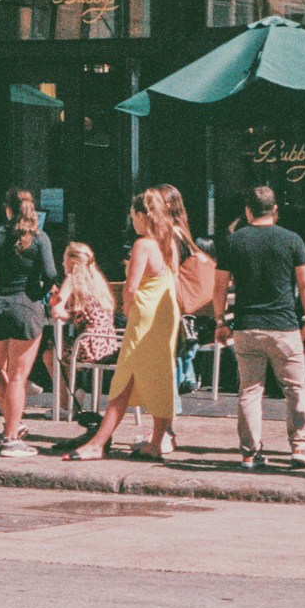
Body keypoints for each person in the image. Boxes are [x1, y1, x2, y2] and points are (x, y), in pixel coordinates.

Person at [64, 188, 185, 462]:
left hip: (144, 317)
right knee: (159, 376)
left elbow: (130, 288)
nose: (133, 221)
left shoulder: (143, 244)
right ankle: (155, 441)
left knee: (124, 378)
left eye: (133, 216)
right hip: (165, 317)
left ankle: (98, 444)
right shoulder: (169, 243)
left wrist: (128, 311)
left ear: (143, 215)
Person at [212, 185, 305, 470]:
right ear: (275, 210)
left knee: (250, 390)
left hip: (247, 327)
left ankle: (249, 452)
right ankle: (299, 448)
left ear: (248, 211)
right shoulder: (292, 240)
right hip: (284, 325)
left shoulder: (233, 241)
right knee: (296, 389)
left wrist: (220, 321)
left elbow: (219, 286)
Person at [0, 189, 59, 458]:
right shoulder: (39, 238)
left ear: (8, 209)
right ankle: (11, 436)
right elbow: (50, 274)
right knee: (18, 377)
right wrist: (36, 294)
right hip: (25, 307)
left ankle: (11, 423)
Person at [50, 241, 118, 413]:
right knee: (64, 350)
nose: (62, 263)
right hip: (109, 342)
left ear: (72, 261)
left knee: (50, 353)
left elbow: (57, 311)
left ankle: (66, 404)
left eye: (64, 259)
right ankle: (75, 391)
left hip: (88, 344)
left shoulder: (72, 280)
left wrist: (60, 307)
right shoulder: (98, 281)